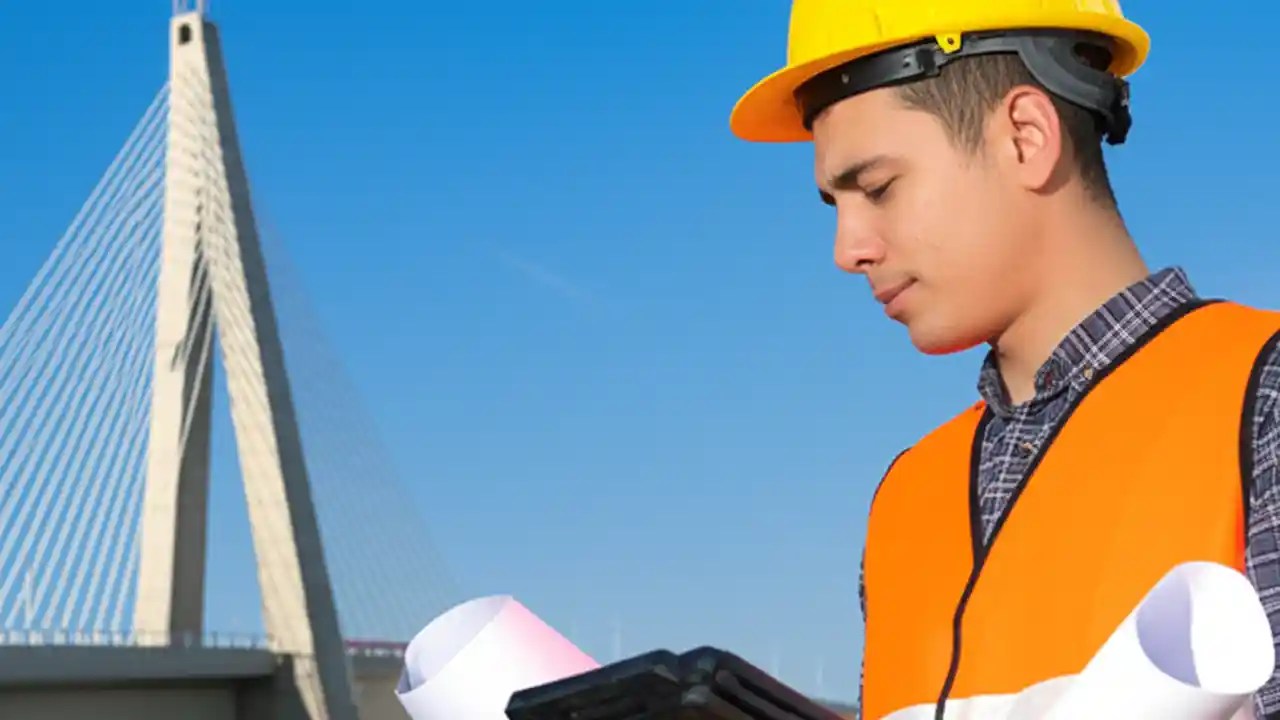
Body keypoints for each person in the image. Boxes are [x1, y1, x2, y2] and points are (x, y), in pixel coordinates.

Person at [728, 1, 1280, 719]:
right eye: (834, 203)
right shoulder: (904, 501)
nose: (848, 249)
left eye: (879, 188)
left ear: (1025, 137)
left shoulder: (1260, 393)